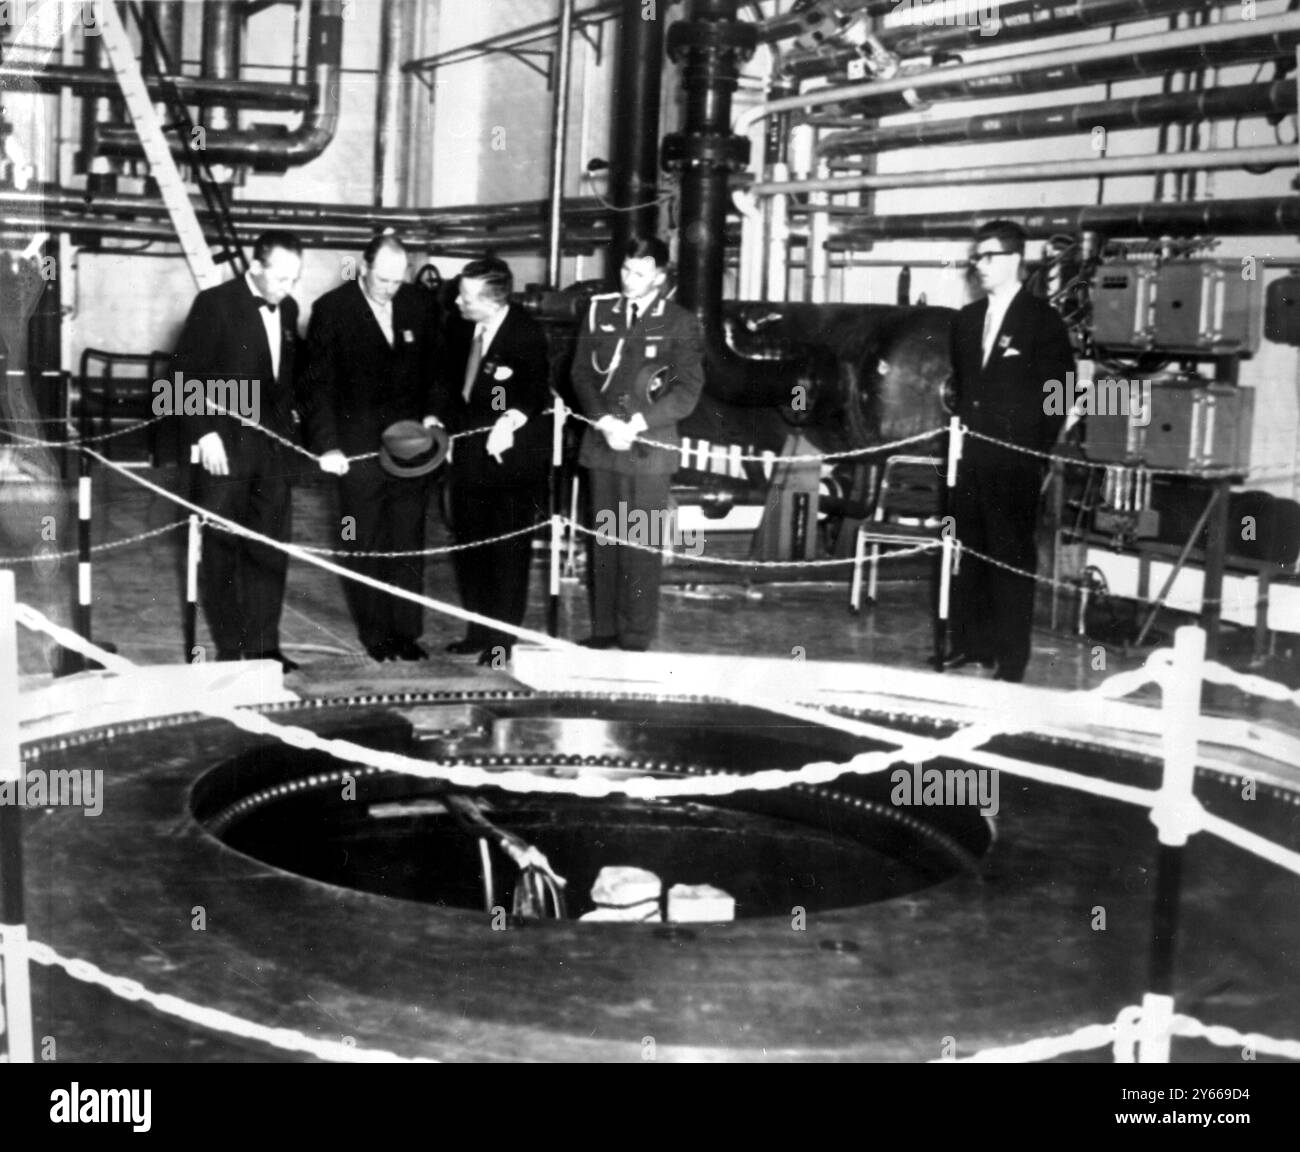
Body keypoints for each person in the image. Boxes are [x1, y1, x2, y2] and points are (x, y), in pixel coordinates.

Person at [171, 230, 328, 673]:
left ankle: (264, 648)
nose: (288, 288)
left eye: (294, 279)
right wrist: (205, 435)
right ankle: (230, 648)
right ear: (253, 268)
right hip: (224, 446)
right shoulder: (215, 304)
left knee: (270, 547)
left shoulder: (290, 308)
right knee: (220, 547)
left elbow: (285, 382)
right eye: (280, 278)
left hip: (272, 451)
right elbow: (180, 377)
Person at [943, 220, 1076, 683]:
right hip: (970, 458)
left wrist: (1033, 451)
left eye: (988, 256)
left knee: (1011, 557)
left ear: (1016, 260)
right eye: (976, 257)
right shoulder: (964, 321)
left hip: (1014, 461)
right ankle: (972, 646)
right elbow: (963, 389)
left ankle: (1011, 659)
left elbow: (1058, 392)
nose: (978, 265)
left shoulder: (1042, 321)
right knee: (970, 553)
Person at [302, 234, 442, 661]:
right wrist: (326, 446)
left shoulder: (420, 304)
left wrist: (435, 414)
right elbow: (316, 388)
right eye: (383, 279)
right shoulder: (331, 310)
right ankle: (375, 632)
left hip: (409, 448)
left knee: (407, 539)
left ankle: (407, 631)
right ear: (363, 267)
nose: (391, 289)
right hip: (356, 451)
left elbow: (438, 369)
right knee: (364, 539)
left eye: (398, 281)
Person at [570, 237, 704, 652]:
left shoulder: (679, 321)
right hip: (604, 442)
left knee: (641, 546)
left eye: (640, 274)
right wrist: (604, 419)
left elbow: (687, 389)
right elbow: (580, 374)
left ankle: (636, 635)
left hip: (649, 449)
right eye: (626, 270)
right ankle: (605, 628)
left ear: (660, 278)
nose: (629, 280)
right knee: (606, 541)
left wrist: (639, 423)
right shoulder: (600, 311)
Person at [434, 256, 551, 666]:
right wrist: (442, 424)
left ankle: (502, 641)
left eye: (466, 297)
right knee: (470, 549)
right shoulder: (463, 328)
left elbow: (534, 392)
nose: (458, 302)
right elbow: (452, 385)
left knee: (506, 554)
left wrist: (510, 418)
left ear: (492, 301)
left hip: (508, 463)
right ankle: (476, 631)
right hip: (468, 457)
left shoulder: (525, 334)